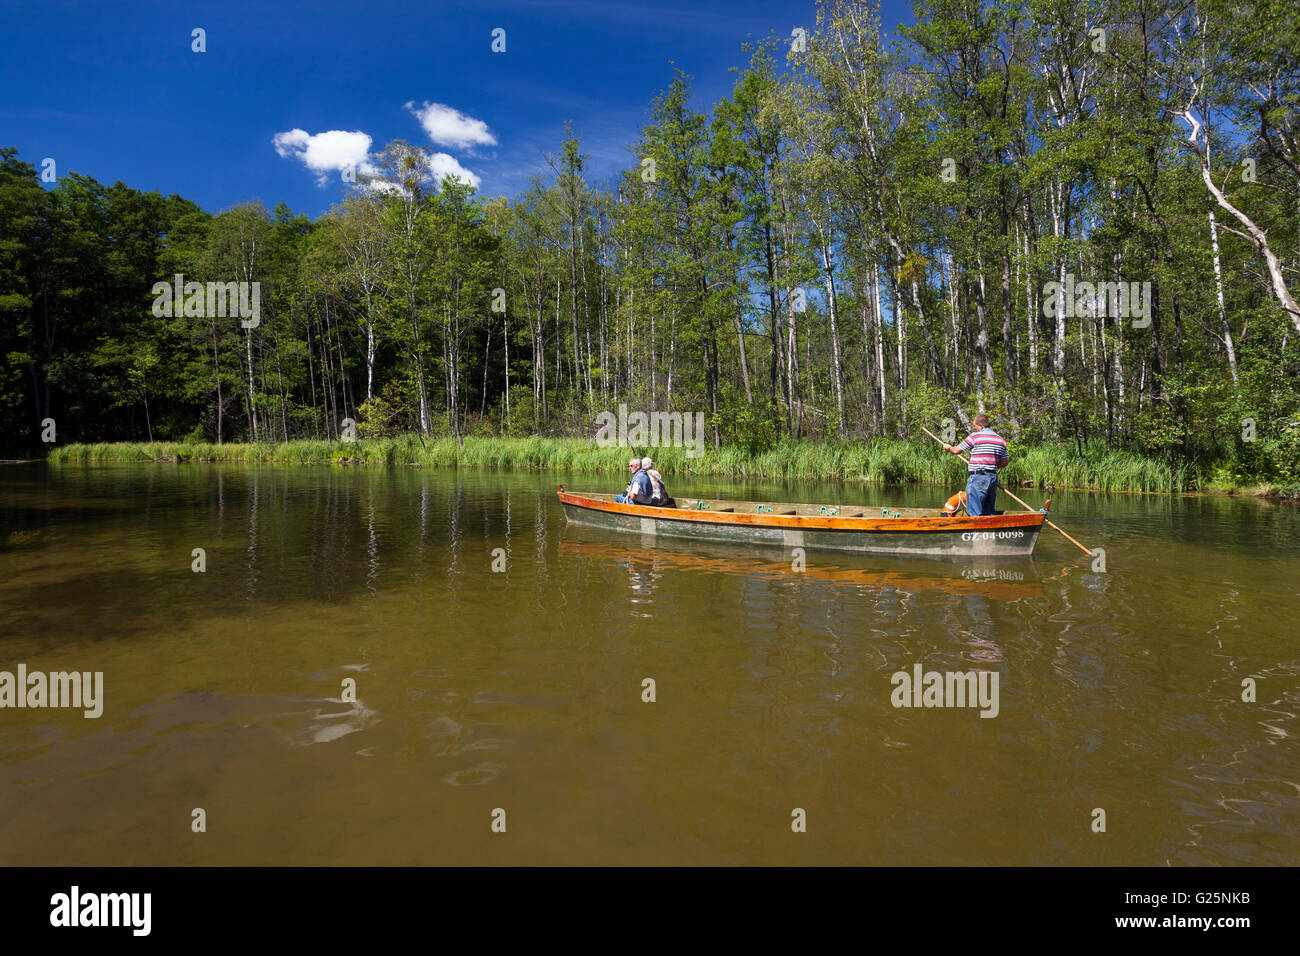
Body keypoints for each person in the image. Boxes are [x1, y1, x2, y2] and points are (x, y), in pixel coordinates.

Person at [943, 414, 1008, 517]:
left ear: (981, 426)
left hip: (978, 477)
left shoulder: (974, 436)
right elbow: (1004, 463)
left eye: (974, 426)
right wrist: (990, 467)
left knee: (974, 512)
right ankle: (989, 531)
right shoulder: (1000, 440)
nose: (974, 428)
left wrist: (948, 447)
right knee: (988, 511)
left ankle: (976, 531)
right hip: (992, 478)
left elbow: (956, 451)